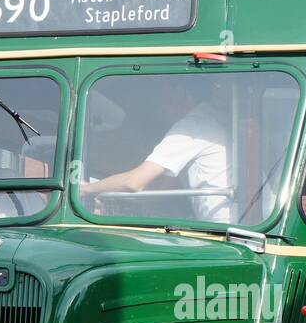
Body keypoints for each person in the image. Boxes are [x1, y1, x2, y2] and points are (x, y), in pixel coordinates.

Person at [79, 79, 231, 222]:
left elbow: (134, 182)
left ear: (180, 92)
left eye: (163, 95)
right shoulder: (215, 118)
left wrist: (87, 189)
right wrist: (108, 194)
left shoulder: (192, 126)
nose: (161, 106)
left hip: (219, 225)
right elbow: (161, 189)